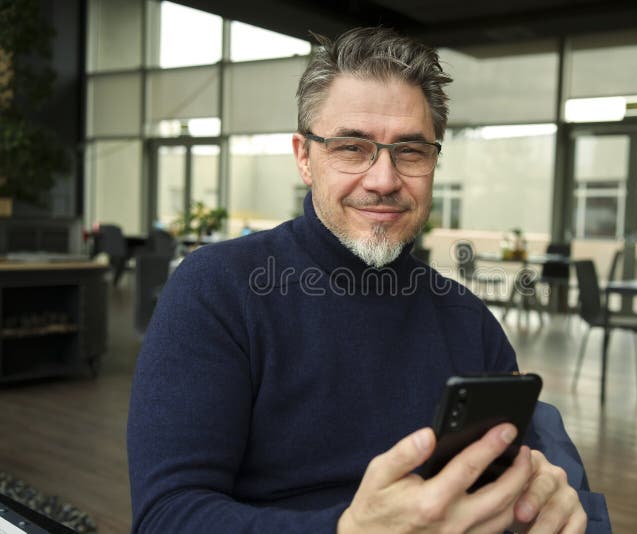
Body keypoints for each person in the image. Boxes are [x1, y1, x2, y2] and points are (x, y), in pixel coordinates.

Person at [127, 26, 611, 533]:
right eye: (352, 147)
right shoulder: (218, 291)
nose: (383, 180)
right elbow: (166, 516)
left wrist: (544, 499)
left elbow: (514, 479)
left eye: (410, 151)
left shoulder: (469, 321)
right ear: (304, 157)